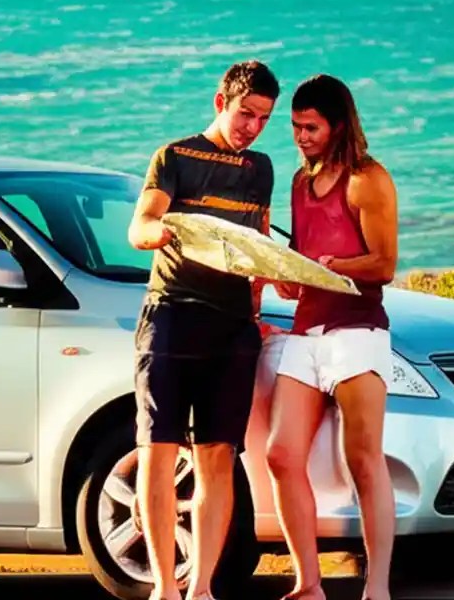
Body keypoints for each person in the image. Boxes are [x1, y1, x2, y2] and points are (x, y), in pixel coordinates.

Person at [127, 59, 279, 600]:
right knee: (159, 450)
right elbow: (141, 225)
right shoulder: (174, 156)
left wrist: (262, 303)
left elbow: (259, 242)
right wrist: (166, 233)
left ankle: (202, 590)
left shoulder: (260, 168)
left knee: (218, 456)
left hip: (232, 326)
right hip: (172, 314)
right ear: (221, 103)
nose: (253, 128)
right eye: (245, 114)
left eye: (264, 119)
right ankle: (164, 588)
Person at [266, 74, 398, 600]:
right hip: (307, 330)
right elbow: (303, 256)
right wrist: (288, 276)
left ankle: (377, 588)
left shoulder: (368, 179)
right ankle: (309, 584)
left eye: (311, 128)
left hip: (357, 330)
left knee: (364, 460)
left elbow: (384, 264)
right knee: (280, 455)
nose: (301, 137)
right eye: (296, 127)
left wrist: (332, 267)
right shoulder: (300, 183)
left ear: (338, 126)